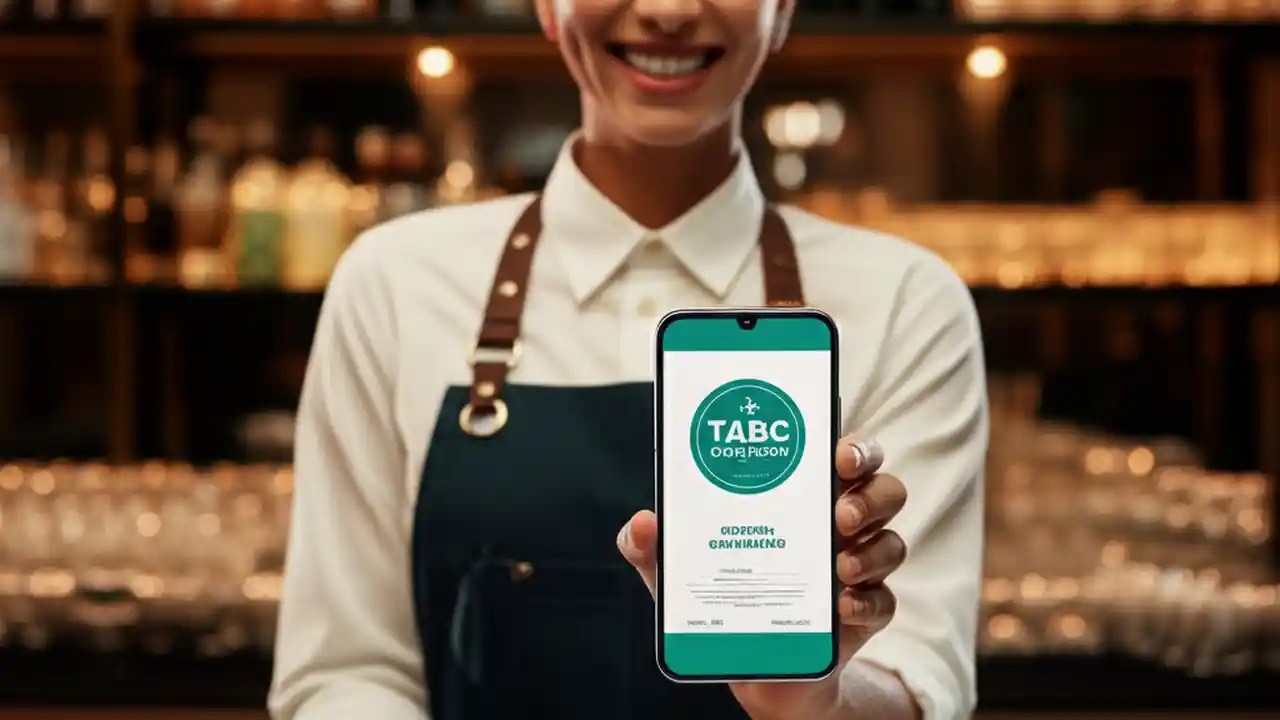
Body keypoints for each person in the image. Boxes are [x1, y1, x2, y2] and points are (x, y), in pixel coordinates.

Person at [268, 1, 988, 719]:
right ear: (547, 9)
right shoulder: (394, 282)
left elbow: (919, 676)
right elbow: (347, 673)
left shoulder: (907, 301)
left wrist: (817, 701)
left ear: (784, 11)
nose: (667, 10)